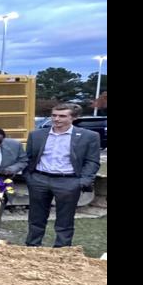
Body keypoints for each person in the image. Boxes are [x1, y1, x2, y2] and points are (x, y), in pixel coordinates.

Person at [24, 102, 101, 248]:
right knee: (36, 216)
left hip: (68, 181)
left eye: (62, 116)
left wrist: (83, 181)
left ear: (73, 118)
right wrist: (29, 177)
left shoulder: (88, 136)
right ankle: (32, 246)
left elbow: (92, 161)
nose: (57, 119)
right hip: (39, 179)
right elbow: (28, 157)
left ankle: (62, 249)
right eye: (54, 115)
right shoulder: (37, 135)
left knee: (65, 219)